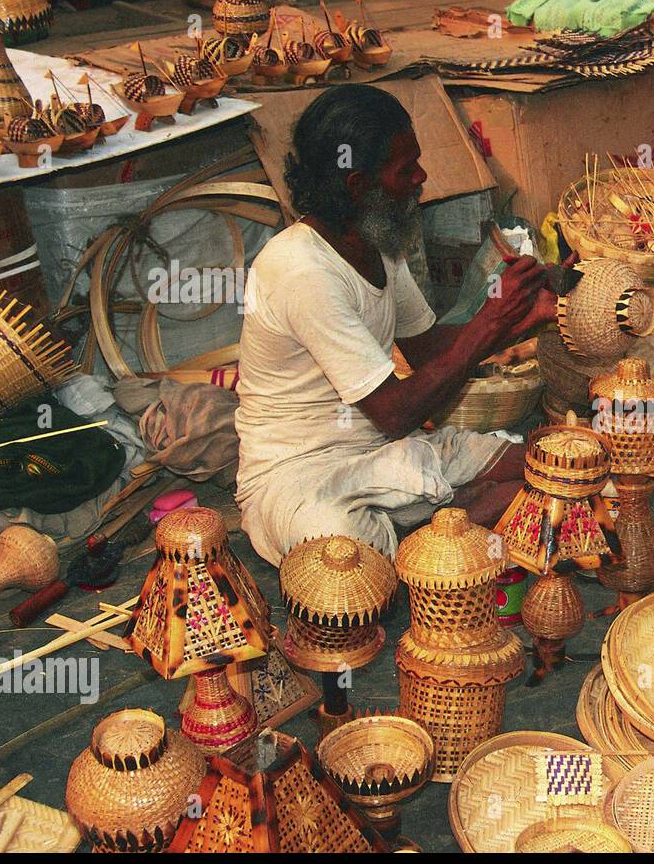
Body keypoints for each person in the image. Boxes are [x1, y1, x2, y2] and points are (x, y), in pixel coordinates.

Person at [234, 84, 555, 566]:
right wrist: (488, 324)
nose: (421, 177)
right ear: (357, 185)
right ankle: (443, 528)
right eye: (406, 170)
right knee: (340, 548)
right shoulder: (303, 271)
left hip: (380, 446)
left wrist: (522, 318)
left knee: (548, 467)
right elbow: (395, 412)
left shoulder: (375, 240)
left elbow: (427, 351)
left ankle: (442, 524)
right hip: (299, 474)